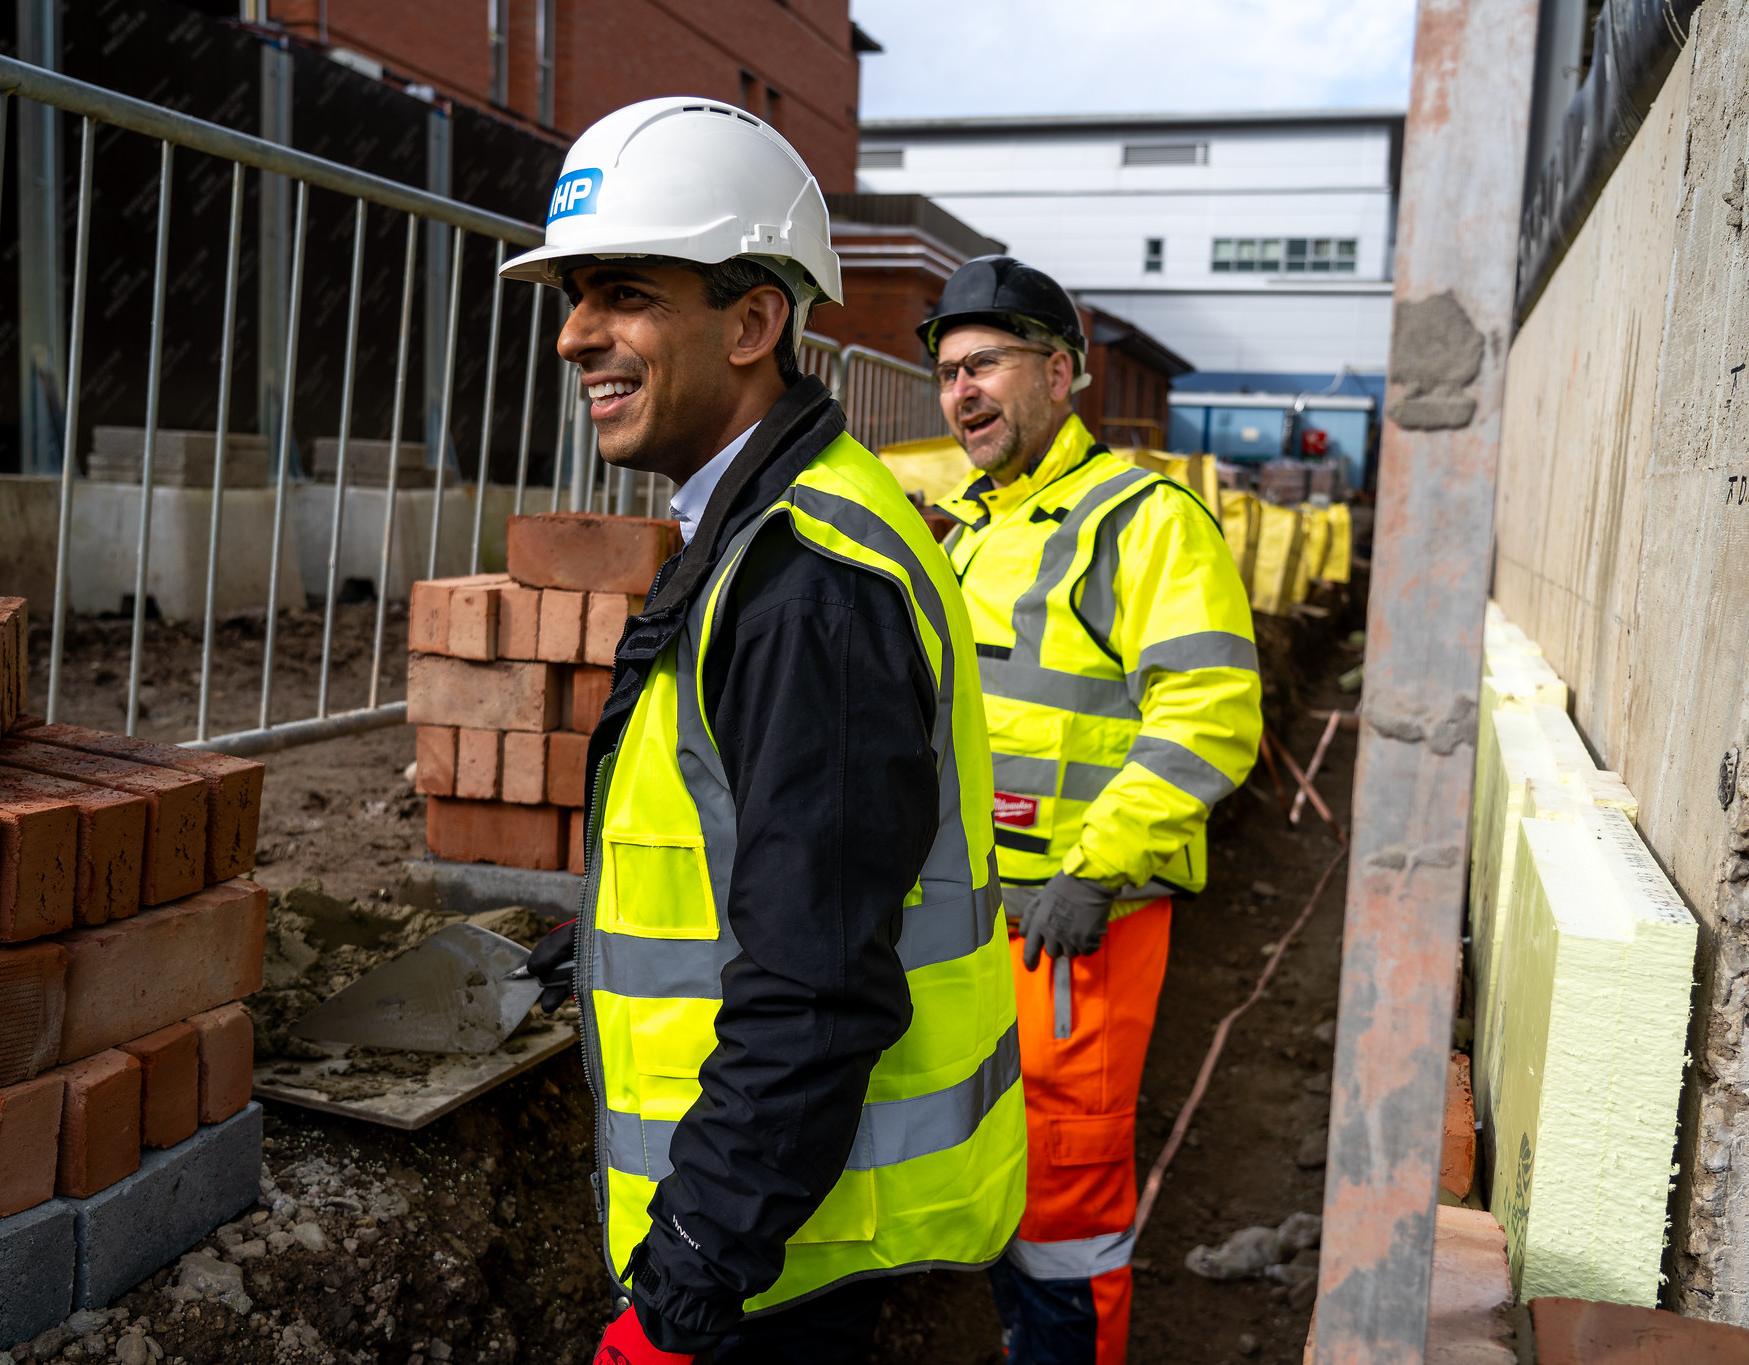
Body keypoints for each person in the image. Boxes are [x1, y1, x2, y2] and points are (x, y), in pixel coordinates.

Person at [506, 101, 1026, 1365]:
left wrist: (683, 1289)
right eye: (574, 297)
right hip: (784, 1234)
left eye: (621, 292)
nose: (576, 334)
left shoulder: (807, 586)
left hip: (790, 1267)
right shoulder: (764, 533)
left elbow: (814, 984)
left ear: (751, 324)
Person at [920, 257, 1262, 1364]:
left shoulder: (1144, 521)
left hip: (1077, 926)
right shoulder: (972, 531)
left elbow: (1208, 714)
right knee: (995, 1177)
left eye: (983, 365)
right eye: (945, 374)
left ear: (1059, 373)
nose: (960, 393)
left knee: (1065, 1201)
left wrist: (1095, 866)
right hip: (974, 923)